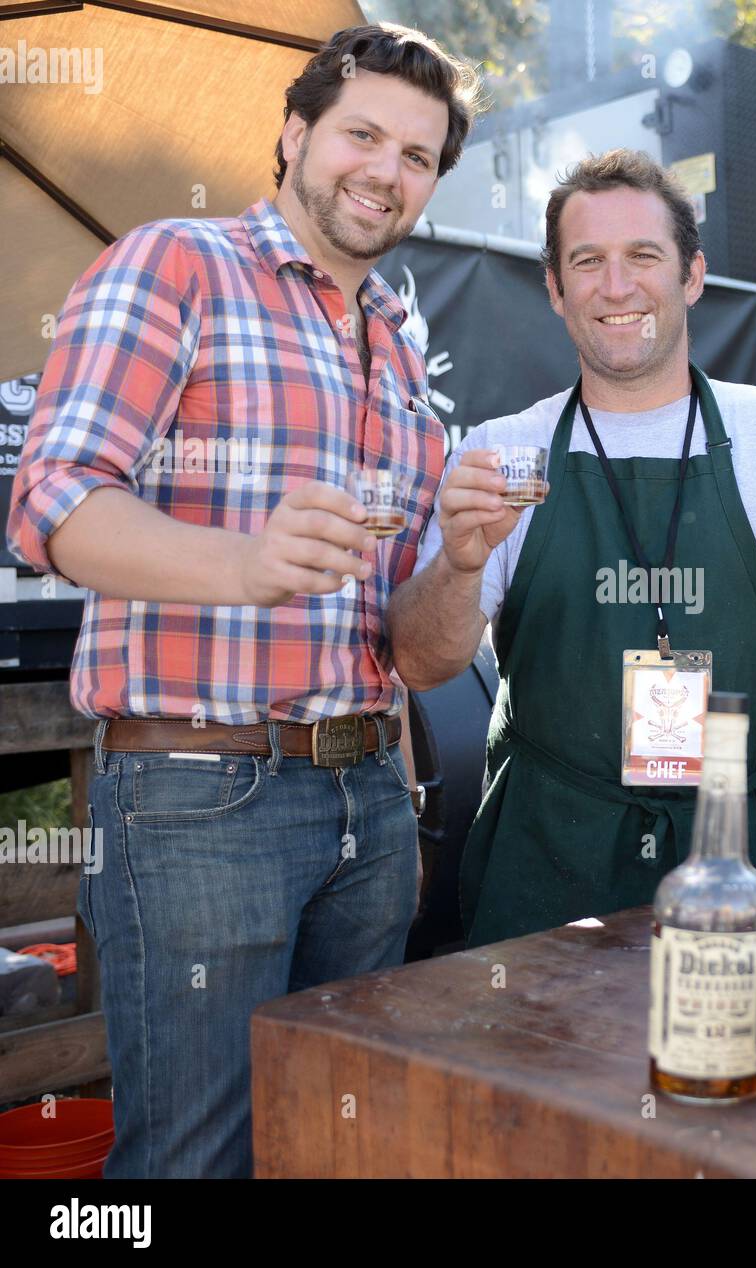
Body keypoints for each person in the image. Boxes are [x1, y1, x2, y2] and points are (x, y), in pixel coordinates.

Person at [5, 22, 479, 1178]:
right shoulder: (175, 261)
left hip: (371, 798)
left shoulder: (400, 353)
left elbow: (413, 654)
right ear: (293, 132)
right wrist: (241, 563)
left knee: (329, 1141)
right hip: (197, 797)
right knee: (191, 1161)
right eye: (362, 133)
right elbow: (52, 500)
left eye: (417, 156)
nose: (386, 169)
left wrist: (462, 561)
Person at [389, 149, 756, 947]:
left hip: (734, 862)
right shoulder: (507, 453)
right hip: (543, 871)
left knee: (727, 1063)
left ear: (692, 276)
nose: (616, 286)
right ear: (554, 288)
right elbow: (424, 663)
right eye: (587, 262)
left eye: (643, 256)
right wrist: (459, 565)